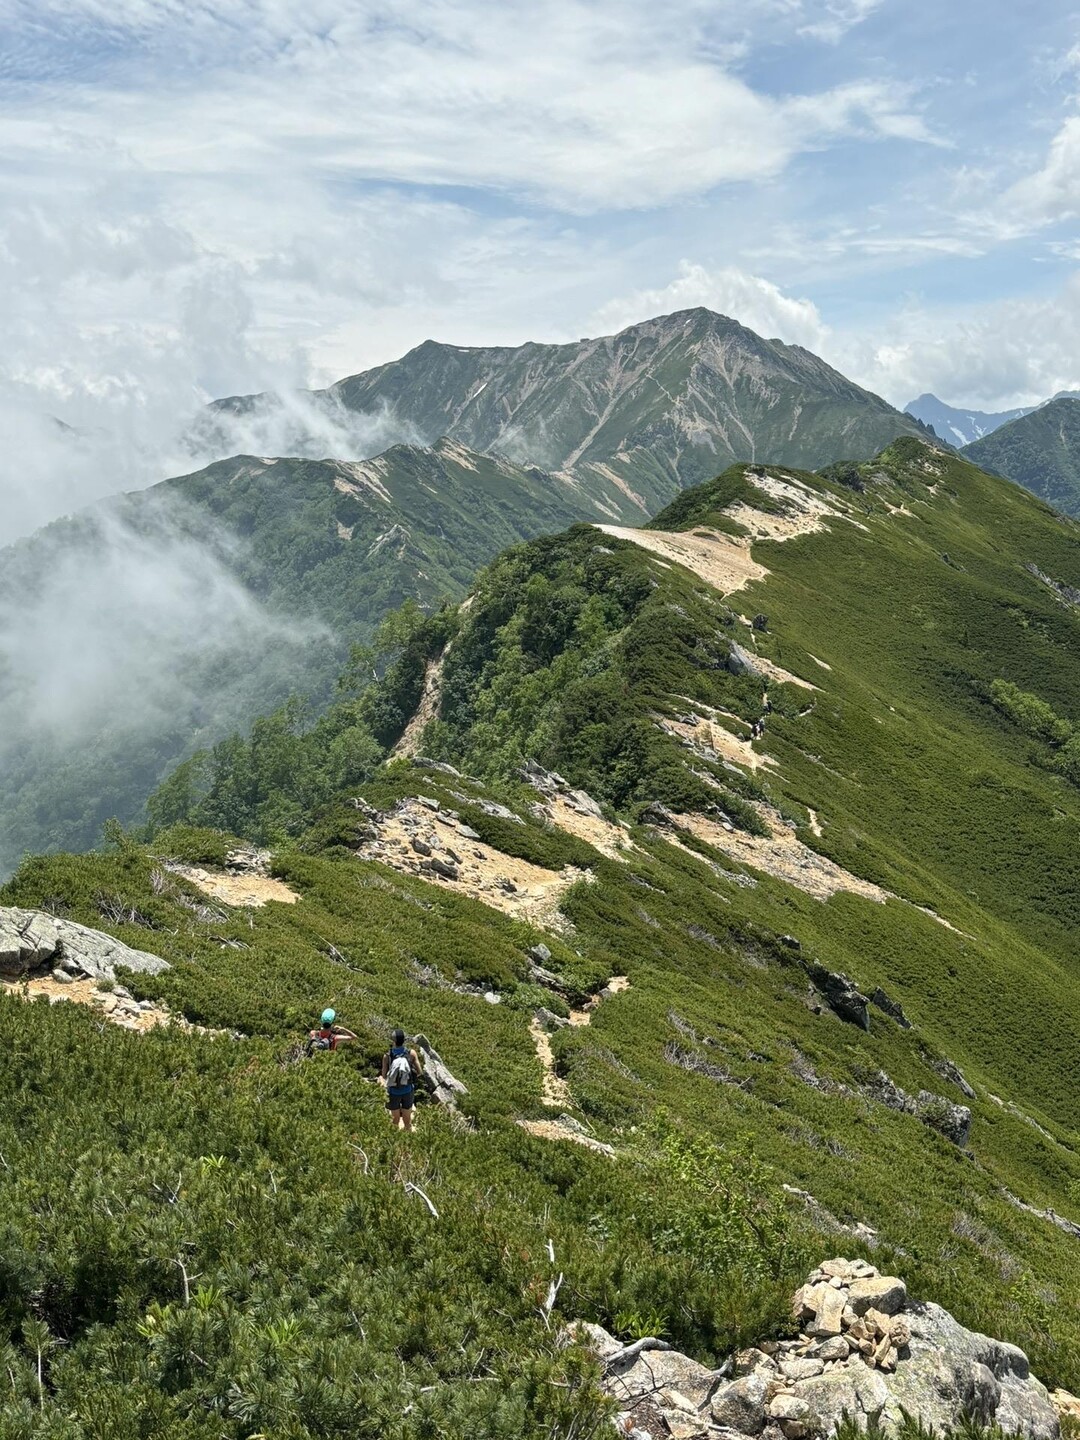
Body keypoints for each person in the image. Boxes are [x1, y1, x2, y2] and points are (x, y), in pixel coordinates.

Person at [381, 1028, 422, 1131]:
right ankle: (407, 1140)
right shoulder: (411, 1053)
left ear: (393, 1041)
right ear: (404, 1040)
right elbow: (420, 1071)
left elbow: (384, 1075)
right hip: (407, 1090)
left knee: (395, 1120)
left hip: (393, 1092)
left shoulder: (387, 1056)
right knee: (407, 1121)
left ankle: (395, 1141)